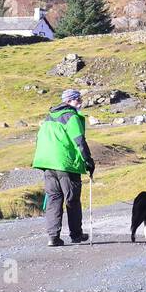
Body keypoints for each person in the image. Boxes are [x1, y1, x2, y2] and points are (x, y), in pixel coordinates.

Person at [32, 88, 96, 246]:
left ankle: (53, 237)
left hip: (48, 165)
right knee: (72, 199)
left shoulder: (48, 118)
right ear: (68, 101)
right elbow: (79, 140)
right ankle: (76, 235)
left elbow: (39, 139)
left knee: (54, 199)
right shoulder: (71, 117)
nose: (80, 102)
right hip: (66, 165)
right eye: (77, 99)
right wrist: (88, 161)